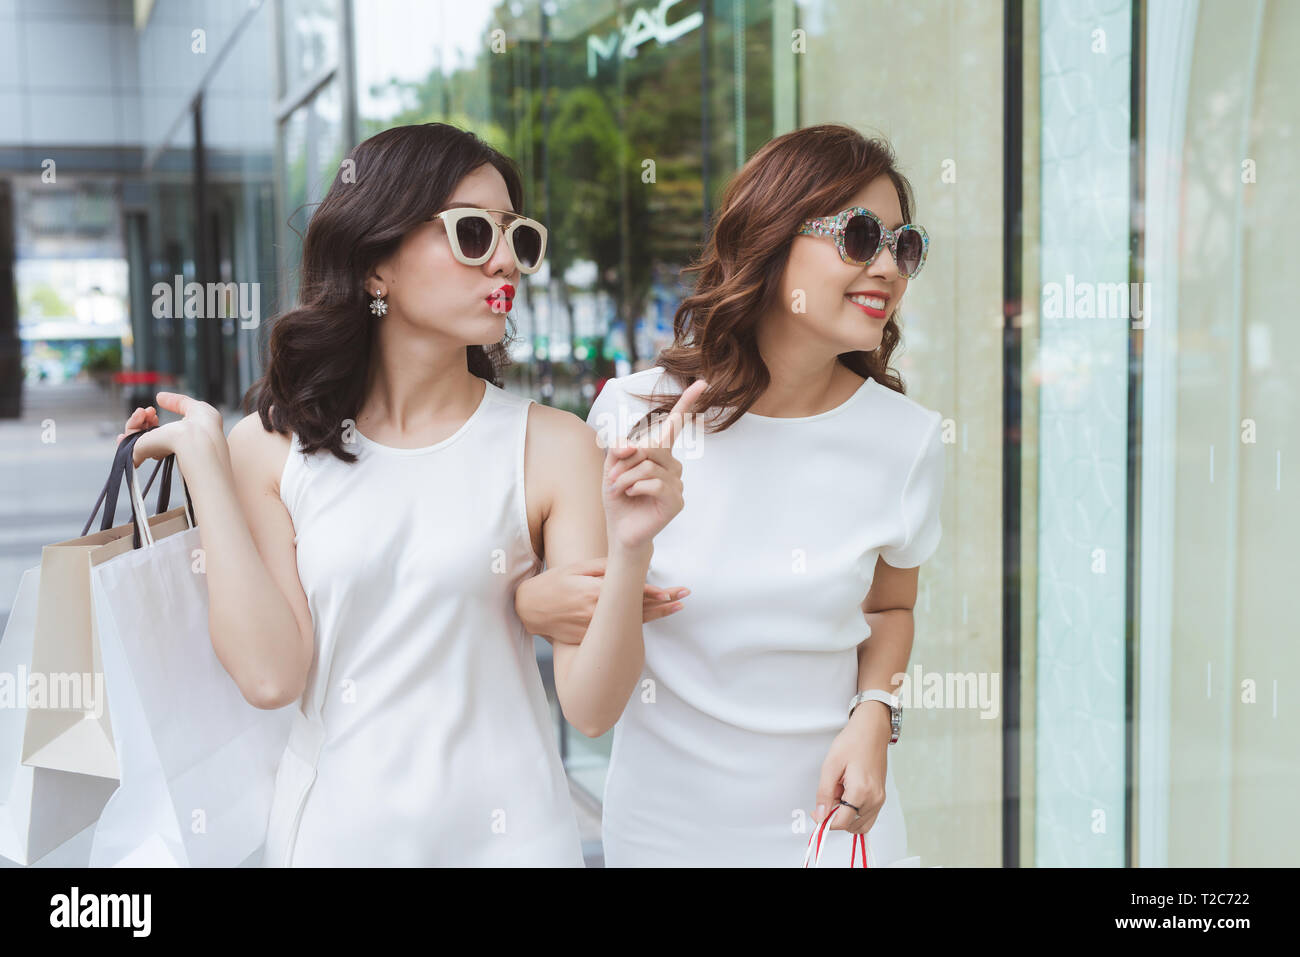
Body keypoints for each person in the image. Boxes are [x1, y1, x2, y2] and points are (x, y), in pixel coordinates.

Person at [118, 122, 703, 866]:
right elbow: (270, 676)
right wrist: (205, 460)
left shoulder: (552, 444)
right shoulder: (270, 448)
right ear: (375, 266)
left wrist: (630, 548)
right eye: (471, 233)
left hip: (516, 840)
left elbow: (591, 709)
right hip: (336, 839)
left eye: (519, 238)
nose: (505, 262)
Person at [517, 124, 945, 866]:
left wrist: (876, 711)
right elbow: (588, 708)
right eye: (860, 236)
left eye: (903, 247)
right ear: (771, 238)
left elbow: (890, 607)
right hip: (668, 837)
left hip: (838, 834)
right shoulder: (631, 416)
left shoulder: (905, 438)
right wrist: (625, 546)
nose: (887, 267)